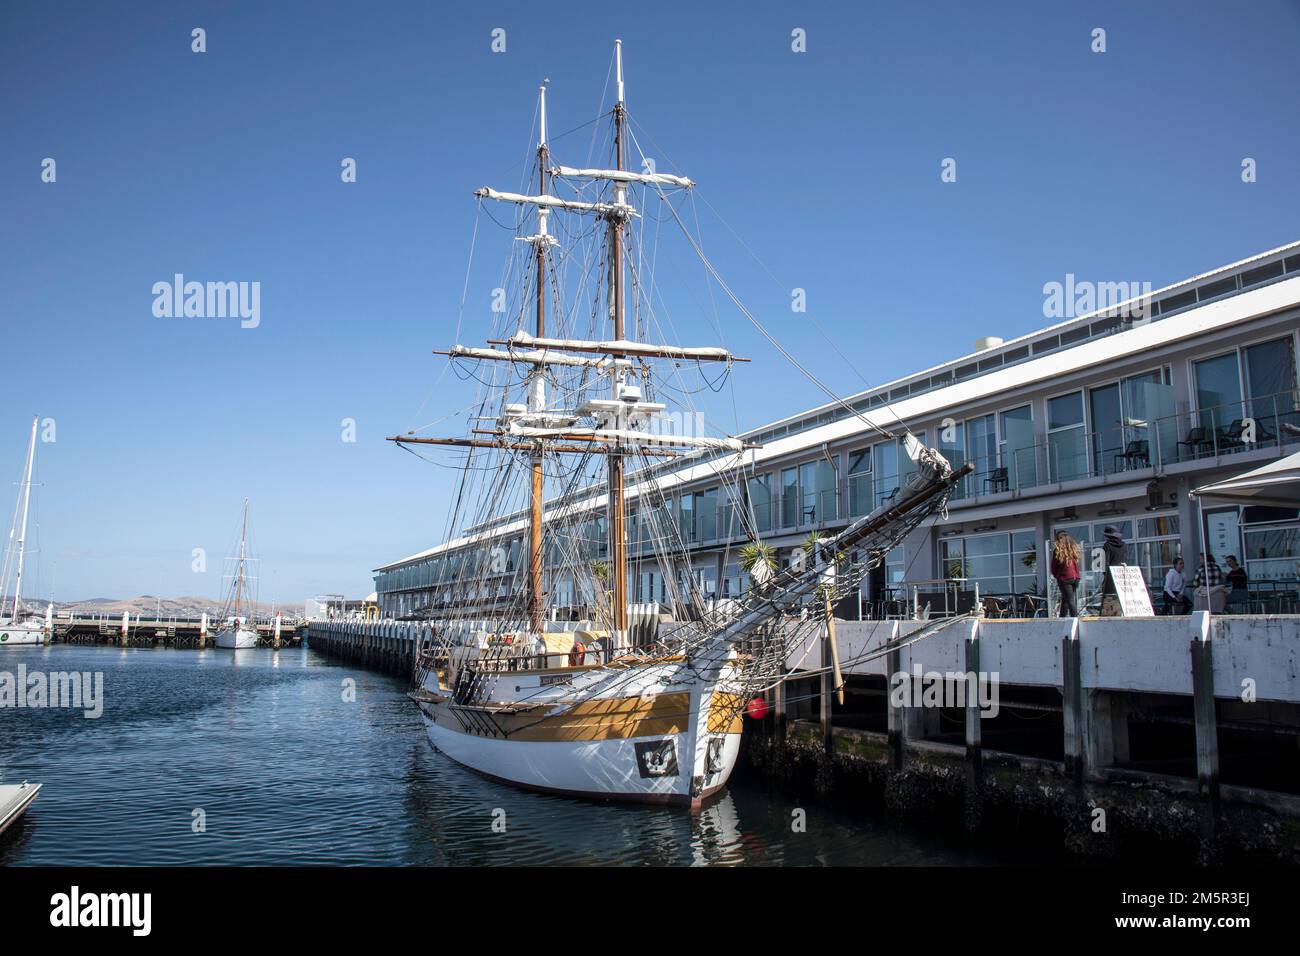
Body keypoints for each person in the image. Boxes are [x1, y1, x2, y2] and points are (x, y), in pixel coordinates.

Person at [1050, 531, 1082, 618]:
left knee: (1070, 600)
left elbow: (1054, 567)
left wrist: (1057, 576)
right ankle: (1062, 617)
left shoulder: (1058, 550)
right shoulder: (1073, 549)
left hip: (1065, 578)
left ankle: (1075, 619)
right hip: (1076, 578)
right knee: (1066, 599)